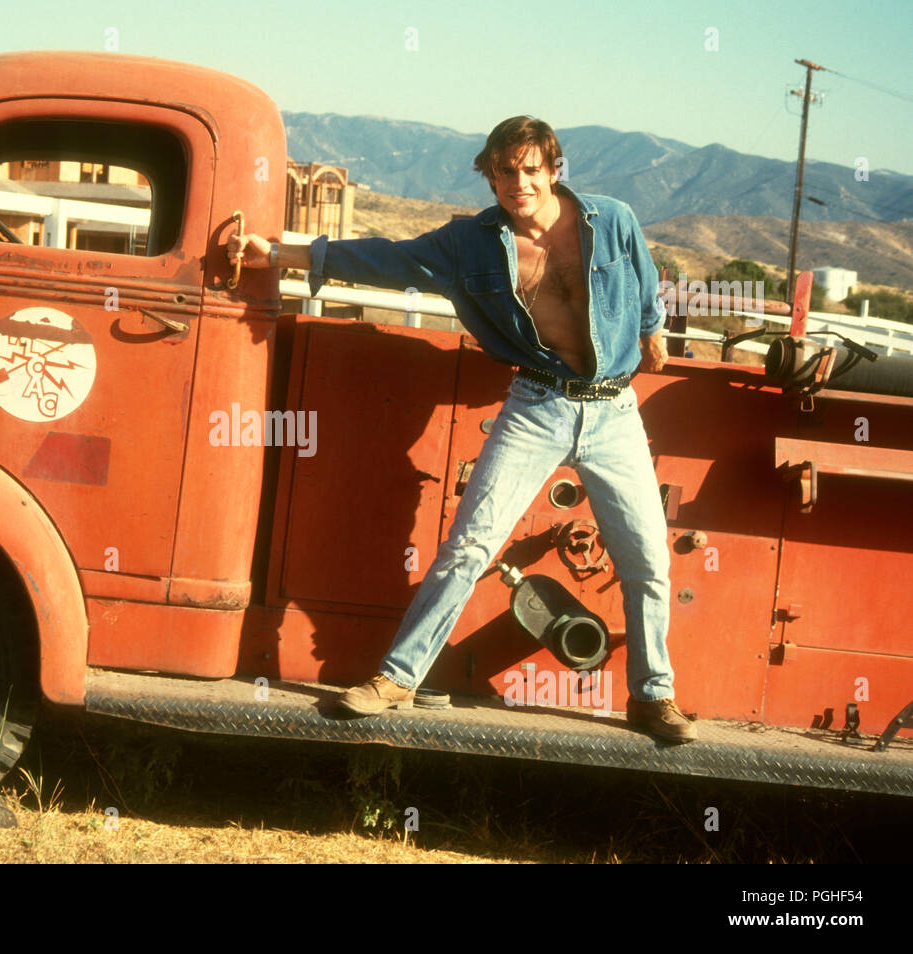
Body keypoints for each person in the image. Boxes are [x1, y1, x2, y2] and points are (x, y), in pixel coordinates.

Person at [228, 116, 695, 743]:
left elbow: (640, 277)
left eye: (531, 169)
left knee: (647, 558)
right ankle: (397, 679)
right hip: (537, 404)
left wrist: (652, 328)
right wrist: (286, 252)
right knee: (470, 547)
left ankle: (652, 698)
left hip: (614, 409)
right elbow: (387, 259)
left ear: (554, 169)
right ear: (491, 175)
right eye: (505, 171)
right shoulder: (471, 244)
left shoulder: (611, 218)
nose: (518, 183)